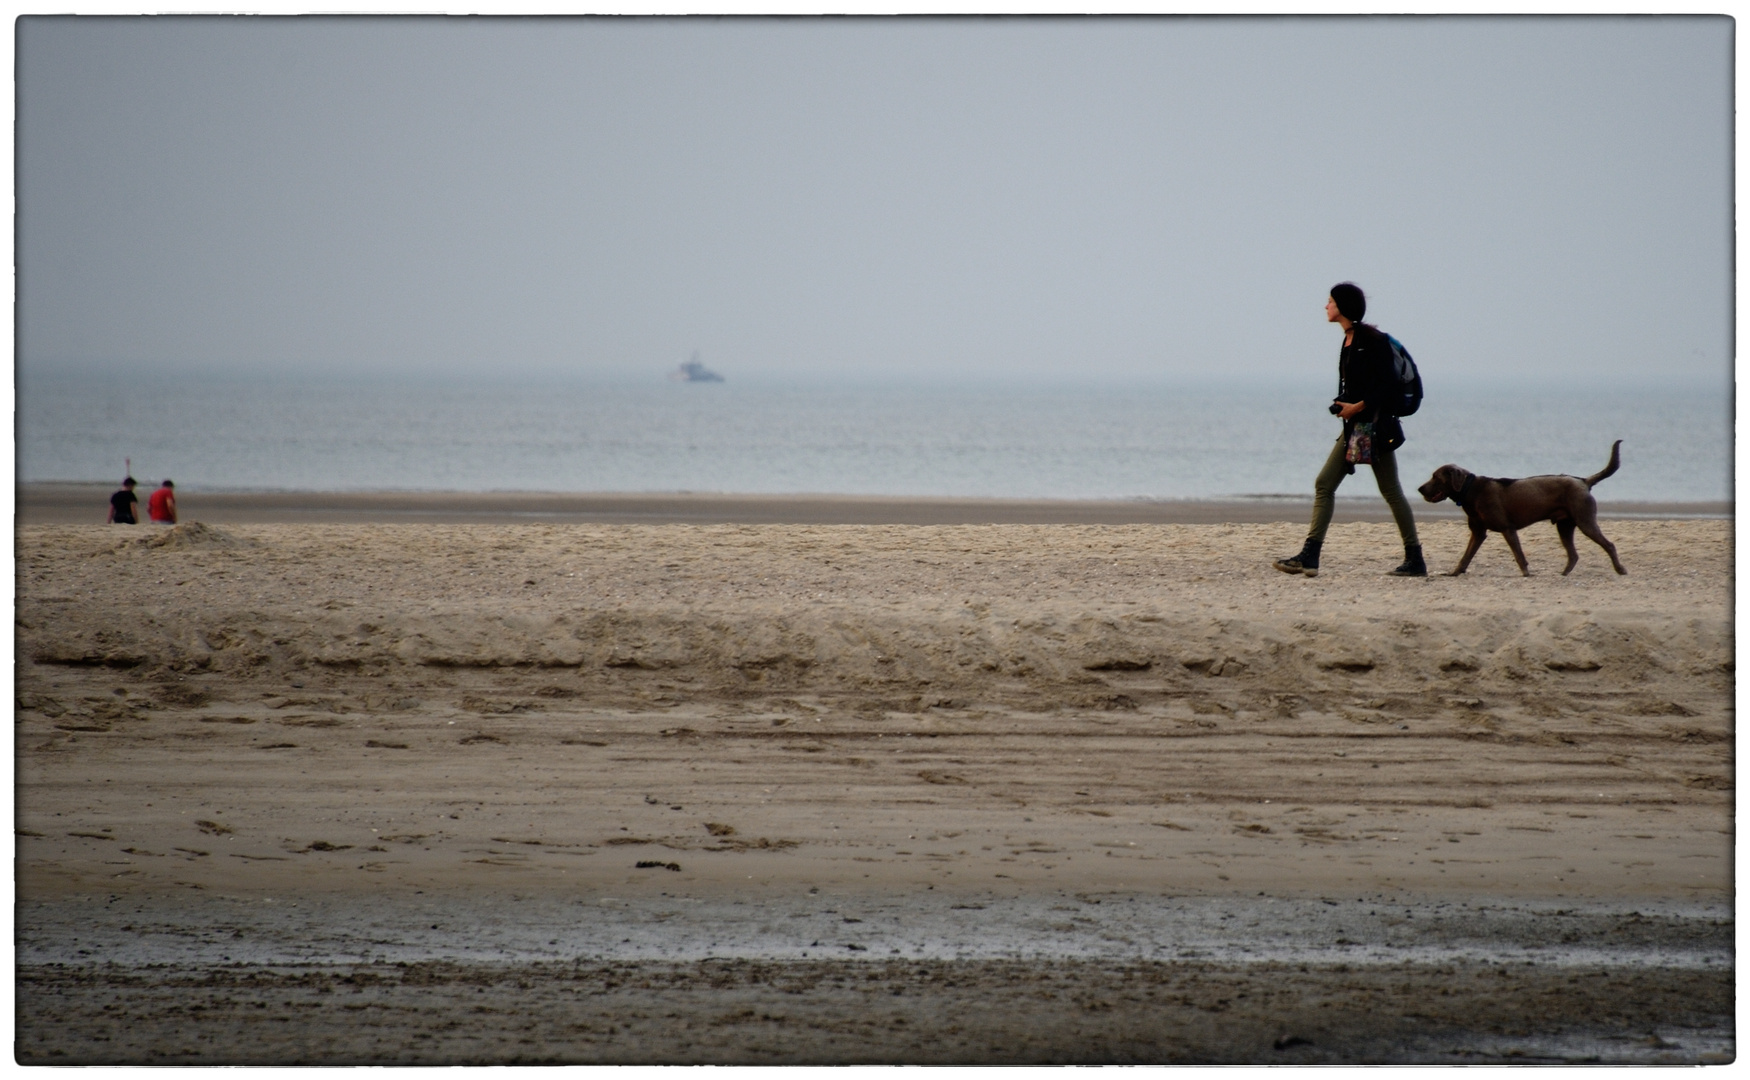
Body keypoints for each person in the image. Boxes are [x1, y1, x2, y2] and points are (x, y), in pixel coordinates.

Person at [1274, 282, 1424, 578]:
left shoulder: (1373, 340)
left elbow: (1389, 386)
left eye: (1329, 301)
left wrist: (1358, 406)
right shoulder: (1349, 340)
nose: (1325, 306)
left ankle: (1415, 558)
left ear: (1342, 306)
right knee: (1325, 485)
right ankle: (1310, 556)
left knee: (1390, 491)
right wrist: (1344, 404)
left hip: (1373, 428)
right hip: (1355, 428)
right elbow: (1362, 385)